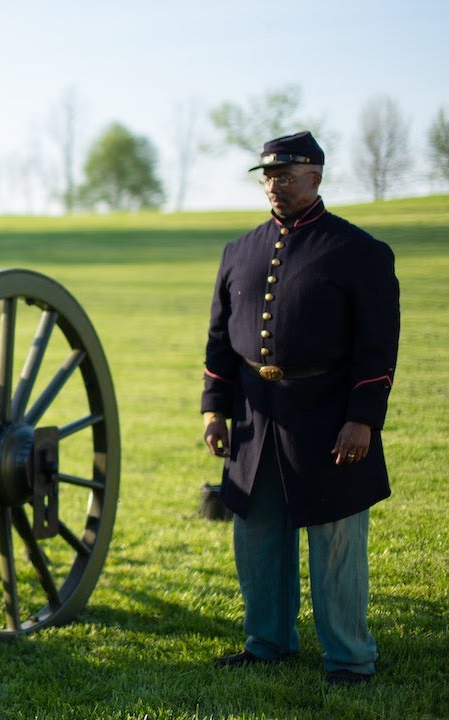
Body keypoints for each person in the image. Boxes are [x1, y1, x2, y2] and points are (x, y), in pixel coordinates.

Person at [201, 132, 399, 686]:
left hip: (328, 417)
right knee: (257, 539)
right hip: (255, 419)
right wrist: (215, 410)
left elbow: (377, 347)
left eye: (286, 177)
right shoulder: (238, 251)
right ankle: (267, 642)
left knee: (336, 547)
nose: (274, 187)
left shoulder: (360, 253)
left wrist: (363, 419)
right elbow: (220, 339)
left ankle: (350, 659)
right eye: (267, 177)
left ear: (316, 177)